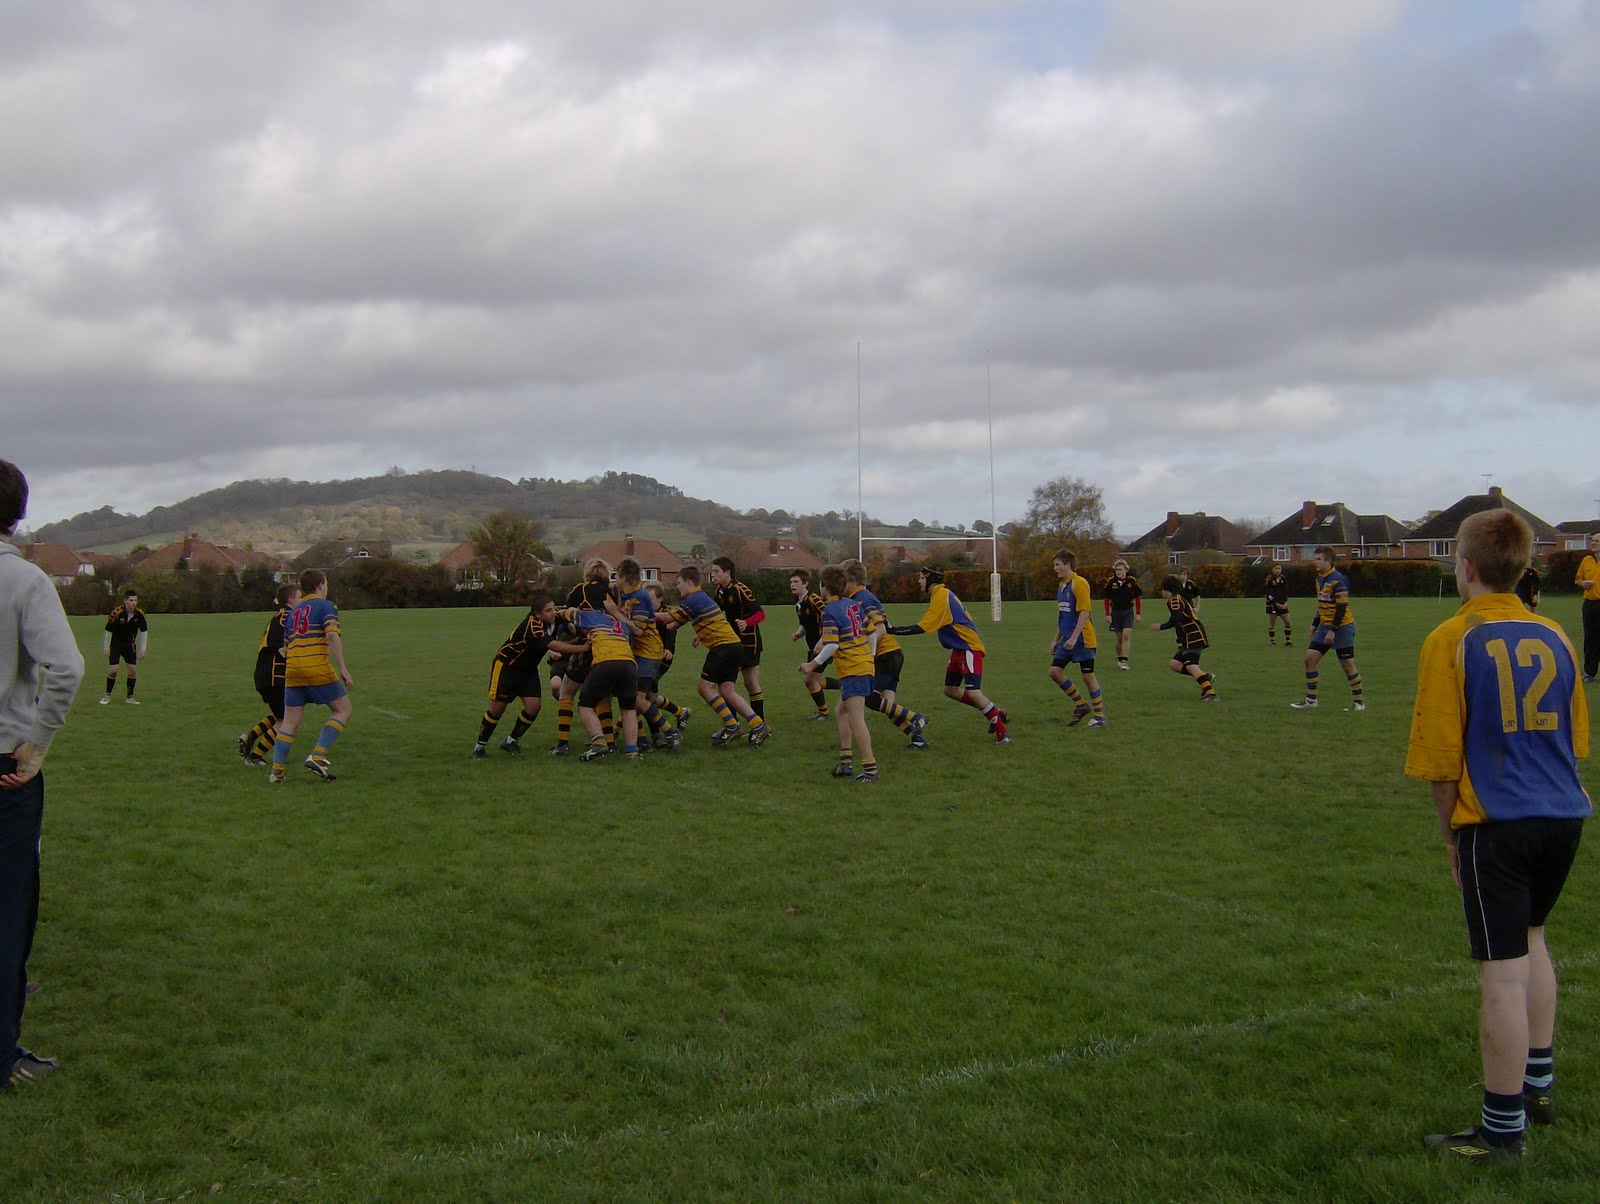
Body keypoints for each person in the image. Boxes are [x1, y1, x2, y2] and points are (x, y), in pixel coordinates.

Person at [1405, 509, 1591, 1163]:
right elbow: (1577, 741)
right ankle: (1537, 1086)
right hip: (1564, 815)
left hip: (1499, 824)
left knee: (1501, 976)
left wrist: (1452, 838)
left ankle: (1501, 1132)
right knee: (1535, 939)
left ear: (1467, 567)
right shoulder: (1558, 637)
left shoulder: (1450, 638)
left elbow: (1437, 760)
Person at [1, 459, 85, 1091]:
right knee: (7, 913)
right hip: (6, 773)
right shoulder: (24, 580)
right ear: (19, 513)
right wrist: (36, 747)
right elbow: (67, 667)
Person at [888, 566, 1010, 744]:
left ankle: (1002, 733)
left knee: (974, 692)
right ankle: (994, 711)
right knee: (950, 690)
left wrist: (893, 630)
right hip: (959, 648)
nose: (919, 581)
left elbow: (923, 626)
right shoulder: (940, 595)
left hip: (969, 647)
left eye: (922, 578)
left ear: (931, 579)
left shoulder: (941, 596)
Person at [656, 566, 771, 747]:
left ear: (689, 582)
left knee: (705, 688)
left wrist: (640, 614)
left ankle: (732, 726)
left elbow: (666, 619)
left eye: (679, 583)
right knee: (726, 691)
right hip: (734, 646)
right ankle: (757, 725)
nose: (677, 587)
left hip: (722, 648)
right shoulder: (698, 599)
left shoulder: (693, 599)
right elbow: (672, 625)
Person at [471, 595, 584, 759]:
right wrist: (582, 647)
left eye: (553, 608)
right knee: (497, 708)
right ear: (537, 614)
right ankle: (479, 746)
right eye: (548, 610)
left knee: (534, 707)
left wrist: (579, 617)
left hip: (528, 670)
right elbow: (553, 645)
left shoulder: (553, 618)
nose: (553, 612)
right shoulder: (533, 627)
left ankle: (511, 741)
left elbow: (568, 613)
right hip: (507, 667)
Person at [271, 569, 354, 782]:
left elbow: (286, 647)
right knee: (343, 710)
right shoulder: (326, 606)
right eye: (325, 583)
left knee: (289, 722)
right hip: (316, 667)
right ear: (319, 585)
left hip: (293, 670)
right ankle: (317, 755)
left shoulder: (294, 613)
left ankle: (277, 772)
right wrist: (342, 667)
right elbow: (332, 635)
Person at [799, 565, 878, 782]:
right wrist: (869, 656)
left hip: (853, 670)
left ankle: (870, 770)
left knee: (856, 719)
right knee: (841, 710)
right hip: (863, 666)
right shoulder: (852, 605)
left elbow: (832, 645)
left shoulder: (830, 611)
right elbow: (872, 633)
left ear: (824, 587)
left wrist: (811, 665)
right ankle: (845, 762)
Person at [843, 560, 929, 749]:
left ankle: (916, 717)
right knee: (887, 705)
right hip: (890, 655)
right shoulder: (859, 598)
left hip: (886, 655)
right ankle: (917, 739)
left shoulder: (863, 599)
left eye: (843, 581)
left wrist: (862, 646)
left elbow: (880, 628)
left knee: (870, 699)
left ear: (853, 580)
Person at [1290, 547, 1364, 712]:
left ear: (1329, 561)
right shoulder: (1319, 579)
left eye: (1319, 559)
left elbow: (1342, 606)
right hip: (1324, 626)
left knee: (1347, 664)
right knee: (1309, 659)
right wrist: (1315, 624)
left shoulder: (1338, 580)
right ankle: (1311, 701)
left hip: (1342, 627)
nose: (1315, 562)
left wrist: (1332, 630)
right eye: (1315, 559)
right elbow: (1323, 603)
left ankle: (1359, 702)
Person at [238, 582, 301, 766]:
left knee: (280, 713)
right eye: (299, 597)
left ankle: (250, 736)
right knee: (287, 719)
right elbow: (281, 643)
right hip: (274, 675)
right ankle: (256, 757)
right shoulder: (286, 616)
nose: (302, 601)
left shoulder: (280, 615)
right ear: (290, 600)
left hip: (266, 674)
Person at [1050, 550, 1105, 728]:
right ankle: (1081, 705)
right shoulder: (1061, 586)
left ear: (1068, 565)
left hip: (1082, 639)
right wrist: (1055, 639)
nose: (1055, 568)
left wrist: (1074, 637)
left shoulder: (1079, 583)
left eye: (1058, 564)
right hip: (1067, 639)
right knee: (1055, 672)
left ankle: (1099, 717)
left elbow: (1084, 613)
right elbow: (1063, 616)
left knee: (1088, 676)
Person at [709, 556, 766, 720]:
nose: (713, 575)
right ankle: (734, 725)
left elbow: (761, 614)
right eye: (712, 571)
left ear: (727, 573)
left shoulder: (741, 590)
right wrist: (702, 633)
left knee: (749, 683)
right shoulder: (719, 591)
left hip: (749, 643)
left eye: (716, 571)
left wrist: (746, 622)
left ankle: (758, 723)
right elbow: (714, 614)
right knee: (725, 683)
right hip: (732, 642)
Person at [1148, 574, 1218, 700]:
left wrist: (1160, 627)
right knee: (1175, 664)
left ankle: (1210, 693)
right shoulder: (1176, 599)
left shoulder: (1174, 600)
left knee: (1191, 665)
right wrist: (1180, 641)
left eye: (1162, 589)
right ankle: (1205, 677)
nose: (1161, 591)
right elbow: (1179, 621)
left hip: (1194, 635)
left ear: (1166, 589)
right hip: (1188, 638)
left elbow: (1177, 619)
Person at [789, 569, 831, 720]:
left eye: (796, 582)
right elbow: (805, 624)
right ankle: (848, 686)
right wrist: (798, 634)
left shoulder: (814, 599)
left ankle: (824, 713)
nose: (792, 585)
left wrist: (823, 639)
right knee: (816, 681)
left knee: (809, 680)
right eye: (791, 582)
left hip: (824, 645)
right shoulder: (799, 604)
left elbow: (828, 614)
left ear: (805, 583)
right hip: (813, 646)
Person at [99, 588, 148, 704]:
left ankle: (129, 697)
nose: (134, 603)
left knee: (132, 671)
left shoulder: (140, 614)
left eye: (136, 600)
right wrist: (106, 648)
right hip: (115, 645)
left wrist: (143, 649)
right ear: (125, 601)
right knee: (113, 671)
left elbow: (144, 631)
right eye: (131, 600)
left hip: (129, 645)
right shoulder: (116, 613)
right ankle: (107, 695)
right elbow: (108, 631)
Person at [1101, 559, 1142, 669]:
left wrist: (1138, 613)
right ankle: (1120, 658)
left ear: (1126, 569)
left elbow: (1138, 598)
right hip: (1115, 612)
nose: (1118, 572)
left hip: (1128, 611)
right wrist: (1107, 614)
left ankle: (1124, 661)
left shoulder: (1132, 581)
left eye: (1120, 569)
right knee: (1119, 639)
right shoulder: (1111, 582)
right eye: (1116, 570)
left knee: (1126, 635)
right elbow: (1106, 598)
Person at [1576, 533, 1600, 682]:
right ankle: (1590, 672)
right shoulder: (1586, 560)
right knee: (1590, 638)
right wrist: (1582, 584)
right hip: (1589, 605)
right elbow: (1578, 578)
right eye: (1592, 540)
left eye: (1597, 541)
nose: (1593, 543)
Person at [1265, 564, 1293, 646]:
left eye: (1279, 568)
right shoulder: (1269, 579)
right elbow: (1269, 593)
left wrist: (1285, 602)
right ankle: (1272, 642)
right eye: (1276, 568)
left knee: (1288, 622)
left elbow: (1285, 591)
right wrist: (1276, 603)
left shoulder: (1283, 578)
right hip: (1272, 605)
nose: (1278, 570)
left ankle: (1288, 641)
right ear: (1272, 569)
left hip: (1282, 604)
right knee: (1272, 623)